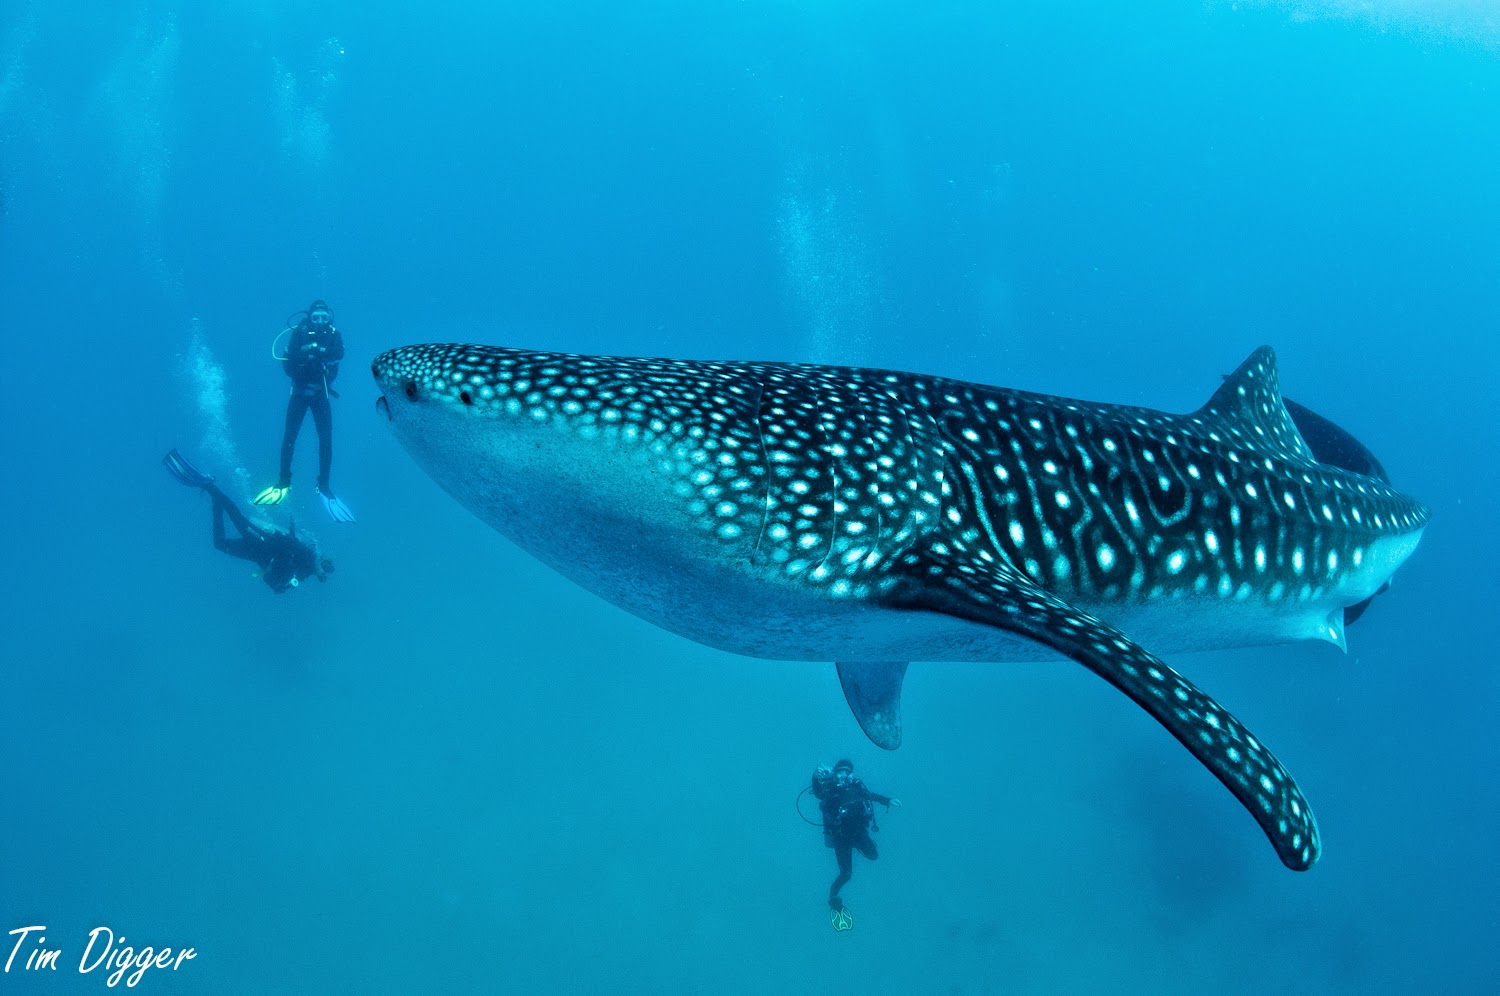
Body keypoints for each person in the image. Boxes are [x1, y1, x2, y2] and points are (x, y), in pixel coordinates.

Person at [165, 449, 334, 593]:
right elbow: (291, 545)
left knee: (219, 544)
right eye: (324, 565)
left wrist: (280, 587)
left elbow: (275, 581)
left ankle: (215, 497)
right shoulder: (308, 555)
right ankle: (210, 486)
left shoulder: (304, 572)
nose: (321, 569)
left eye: (323, 569)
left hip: (256, 554)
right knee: (236, 517)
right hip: (261, 540)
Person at [253, 299, 355, 523]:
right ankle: (283, 482)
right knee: (289, 437)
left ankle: (324, 486)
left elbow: (339, 353)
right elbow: (288, 361)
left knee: (326, 440)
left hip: (321, 393)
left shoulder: (334, 334)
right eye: (316, 317)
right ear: (309, 317)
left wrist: (318, 351)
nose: (320, 321)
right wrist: (308, 354)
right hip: (299, 392)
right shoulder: (299, 333)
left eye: (324, 317)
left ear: (329, 318)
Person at [809, 759, 900, 928]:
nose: (844, 775)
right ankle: (833, 900)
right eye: (840, 772)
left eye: (847, 771)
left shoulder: (856, 786)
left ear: (851, 773)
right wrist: (815, 776)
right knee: (846, 874)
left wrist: (887, 800)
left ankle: (856, 847)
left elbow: (870, 795)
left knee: (874, 856)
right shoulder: (830, 789)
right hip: (840, 837)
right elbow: (817, 792)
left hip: (859, 833)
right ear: (835, 774)